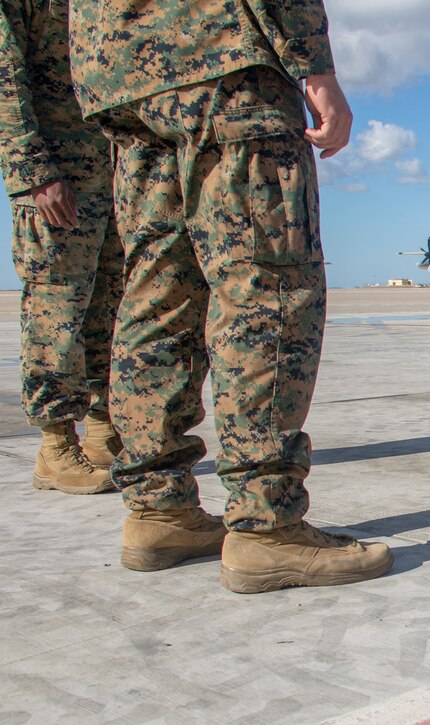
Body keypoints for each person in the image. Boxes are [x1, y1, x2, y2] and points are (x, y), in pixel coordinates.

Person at [67, 1, 393, 592]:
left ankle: (158, 511)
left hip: (115, 67)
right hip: (218, 52)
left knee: (157, 293)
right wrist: (314, 64)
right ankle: (266, 529)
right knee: (267, 286)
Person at [0, 0, 124, 495]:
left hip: (113, 165)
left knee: (110, 305)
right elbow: (5, 77)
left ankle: (101, 433)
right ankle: (56, 447)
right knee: (58, 306)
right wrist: (32, 172)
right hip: (57, 172)